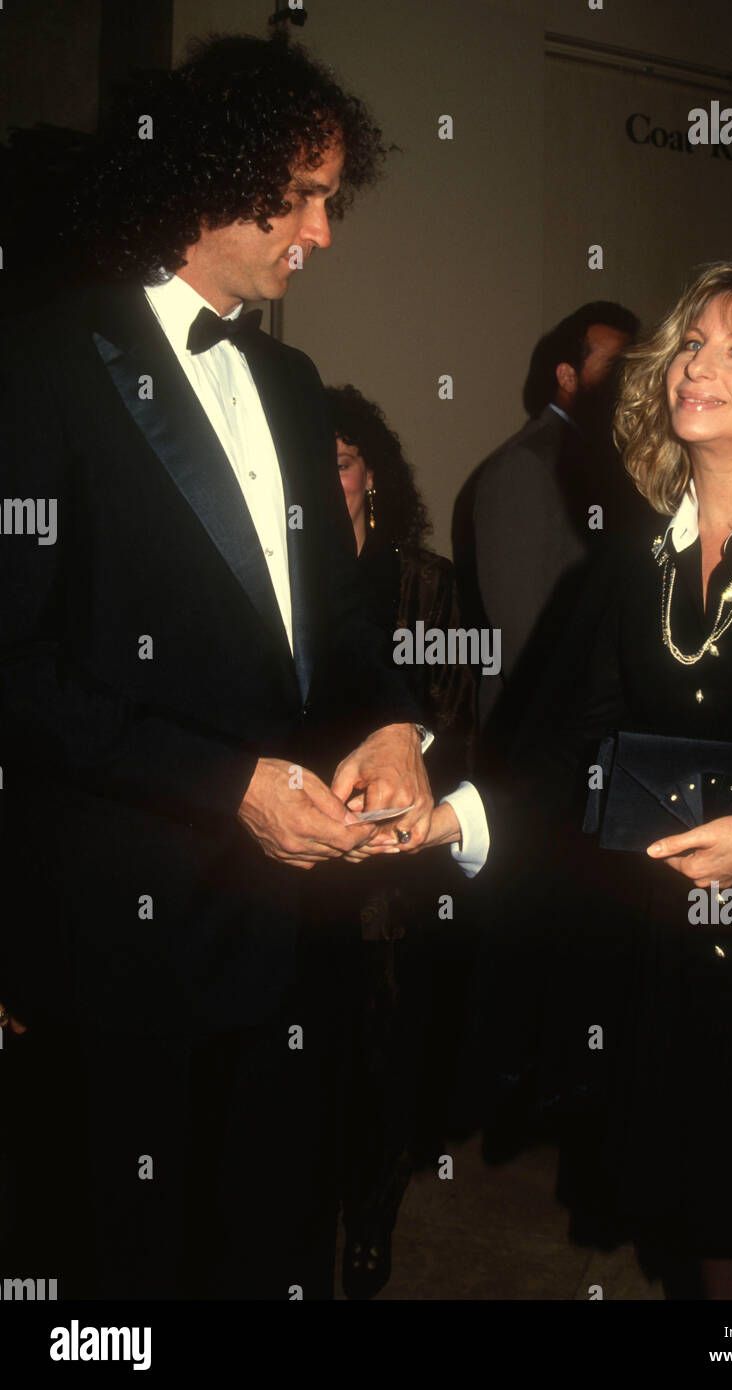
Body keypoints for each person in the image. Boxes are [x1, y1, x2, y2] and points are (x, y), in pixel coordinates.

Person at [0, 33, 434, 1301]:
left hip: (296, 918)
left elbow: (345, 619)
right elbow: (13, 662)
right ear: (207, 180)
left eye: (331, 199)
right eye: (300, 196)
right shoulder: (37, 366)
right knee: (115, 1272)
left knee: (265, 1244)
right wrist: (224, 780)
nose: (323, 232)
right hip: (121, 917)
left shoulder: (295, 385)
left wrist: (394, 723)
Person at [424, 262, 732, 1298]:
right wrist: (441, 817)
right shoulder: (634, 561)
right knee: (701, 1233)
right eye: (692, 343)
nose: (698, 366)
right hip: (674, 964)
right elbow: (559, 749)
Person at [327, 384, 476, 1297]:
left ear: (370, 473)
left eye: (340, 460)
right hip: (287, 865)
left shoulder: (426, 583)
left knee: (381, 1066)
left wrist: (386, 788)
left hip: (388, 869)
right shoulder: (269, 578)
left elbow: (455, 719)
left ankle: (373, 1225)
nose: (324, 479)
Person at [452, 301, 640, 743]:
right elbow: (522, 636)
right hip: (542, 742)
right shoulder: (525, 464)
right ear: (567, 377)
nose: (626, 380)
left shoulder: (616, 463)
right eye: (612, 365)